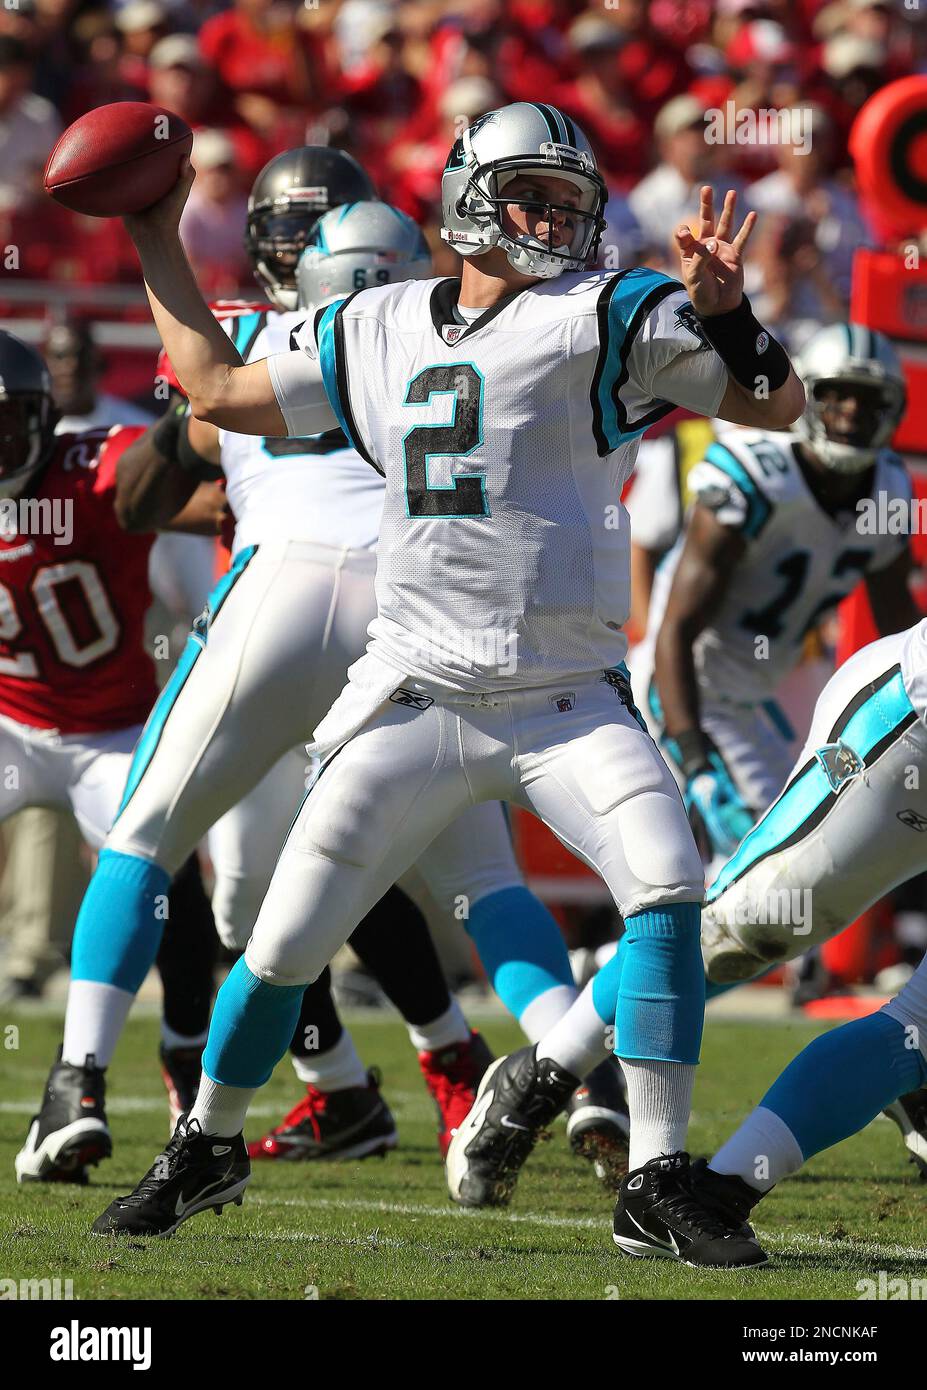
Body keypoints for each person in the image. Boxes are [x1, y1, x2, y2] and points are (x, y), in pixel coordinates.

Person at [94, 102, 803, 1264]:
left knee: (671, 884)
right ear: (467, 196)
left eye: (574, 201)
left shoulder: (609, 310)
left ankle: (658, 1171)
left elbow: (774, 402)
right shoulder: (369, 322)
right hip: (415, 688)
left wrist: (733, 320)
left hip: (568, 692)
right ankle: (208, 1142)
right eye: (534, 194)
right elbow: (215, 391)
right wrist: (155, 236)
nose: (559, 220)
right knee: (282, 941)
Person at [21, 148, 622, 1182]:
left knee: (157, 845)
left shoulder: (259, 334)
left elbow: (171, 457)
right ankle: (573, 1070)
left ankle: (82, 1084)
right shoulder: (443, 337)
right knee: (479, 876)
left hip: (282, 596)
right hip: (414, 609)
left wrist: (155, 233)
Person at [0, 330, 219, 1182]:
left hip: (110, 732)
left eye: (6, 424)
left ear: (46, 420)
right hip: (13, 718)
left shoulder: (95, 465)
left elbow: (174, 478)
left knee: (174, 889)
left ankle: (183, 1058)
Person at [627, 322, 916, 862]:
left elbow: (902, 629)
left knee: (796, 865)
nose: (852, 411)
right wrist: (693, 754)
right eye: (837, 394)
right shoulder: (757, 473)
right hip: (686, 687)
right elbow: (677, 629)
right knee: (766, 868)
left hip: (758, 700)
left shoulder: (889, 491)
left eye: (869, 399)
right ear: (809, 395)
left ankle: (607, 954)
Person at [689, 618, 927, 1252]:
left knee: (921, 1027)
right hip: (909, 724)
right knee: (740, 930)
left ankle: (718, 1191)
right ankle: (551, 1067)